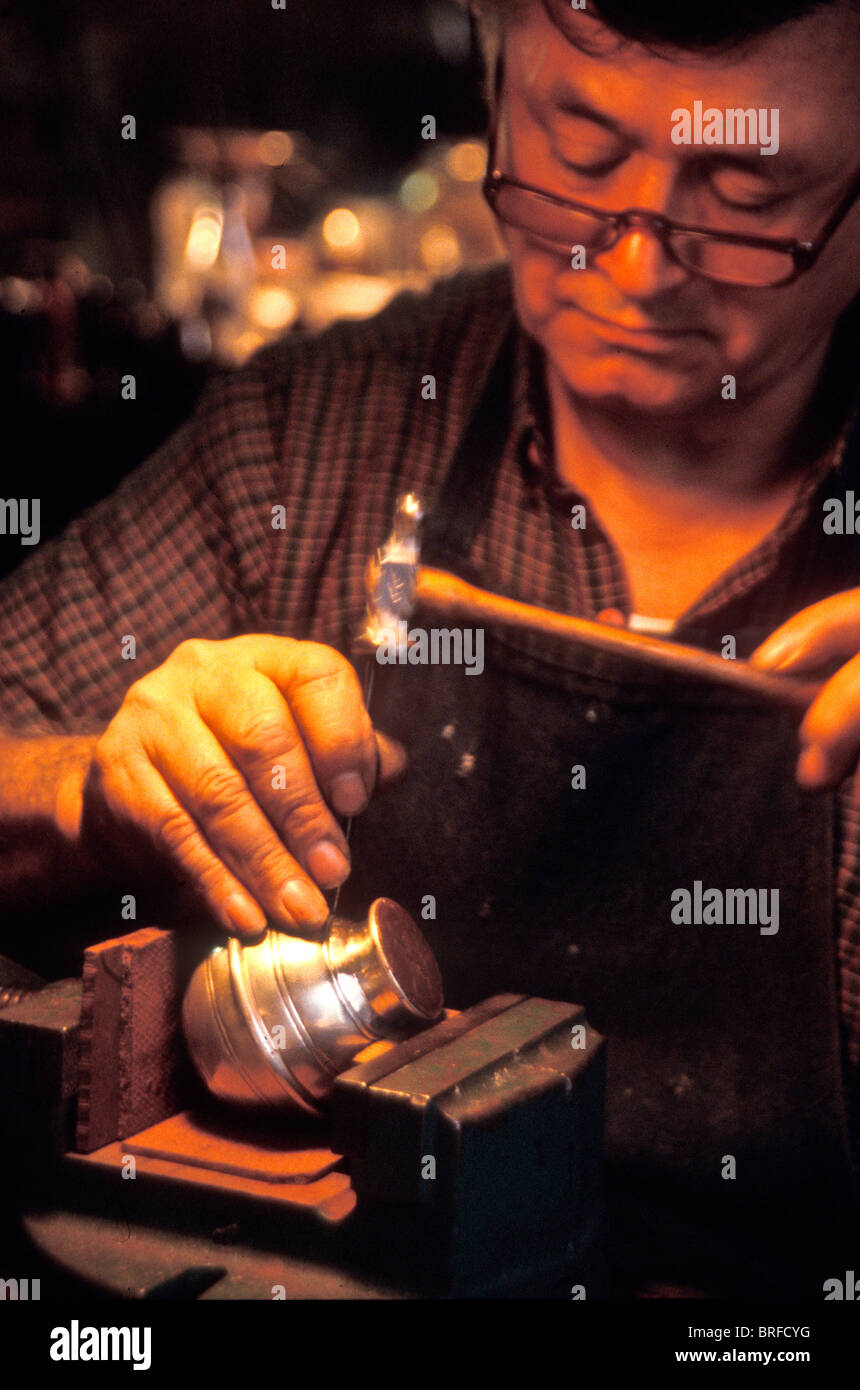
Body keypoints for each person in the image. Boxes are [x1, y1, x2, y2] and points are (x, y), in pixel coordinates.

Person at [1, 0, 860, 1295]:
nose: (631, 267)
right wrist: (94, 790)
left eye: (743, 191)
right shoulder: (310, 438)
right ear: (499, 80)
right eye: (576, 152)